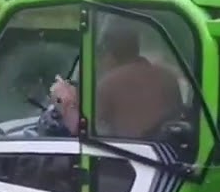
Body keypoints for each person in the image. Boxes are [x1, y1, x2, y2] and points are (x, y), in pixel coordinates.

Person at [48, 25, 183, 140]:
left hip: (129, 159)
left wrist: (63, 100)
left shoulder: (110, 84)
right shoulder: (167, 76)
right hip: (166, 154)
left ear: (108, 54)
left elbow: (80, 130)